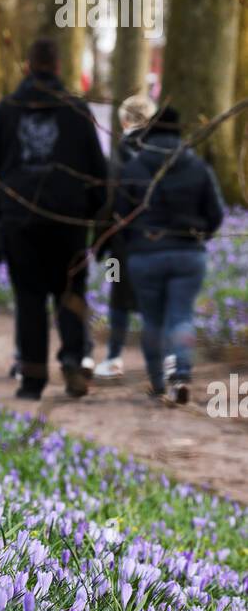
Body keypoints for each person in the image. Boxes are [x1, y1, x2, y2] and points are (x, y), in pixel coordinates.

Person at [0, 36, 108, 400]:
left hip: (20, 223)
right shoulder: (77, 111)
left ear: (27, 67)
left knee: (29, 301)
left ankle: (33, 379)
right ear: (60, 67)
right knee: (71, 296)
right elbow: (98, 171)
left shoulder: (6, 111)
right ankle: (73, 361)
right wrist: (99, 218)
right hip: (68, 224)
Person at [114, 105, 224, 405]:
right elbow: (215, 214)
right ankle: (180, 375)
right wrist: (202, 236)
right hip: (188, 254)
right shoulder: (198, 167)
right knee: (181, 317)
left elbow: (120, 216)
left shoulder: (134, 169)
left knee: (152, 320)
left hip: (145, 256)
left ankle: (158, 382)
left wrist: (133, 244)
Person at [92, 94, 157, 380]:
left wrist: (99, 242)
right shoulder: (165, 154)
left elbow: (105, 202)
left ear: (125, 121)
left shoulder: (116, 157)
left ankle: (114, 357)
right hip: (158, 242)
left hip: (121, 243)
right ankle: (164, 361)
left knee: (119, 300)